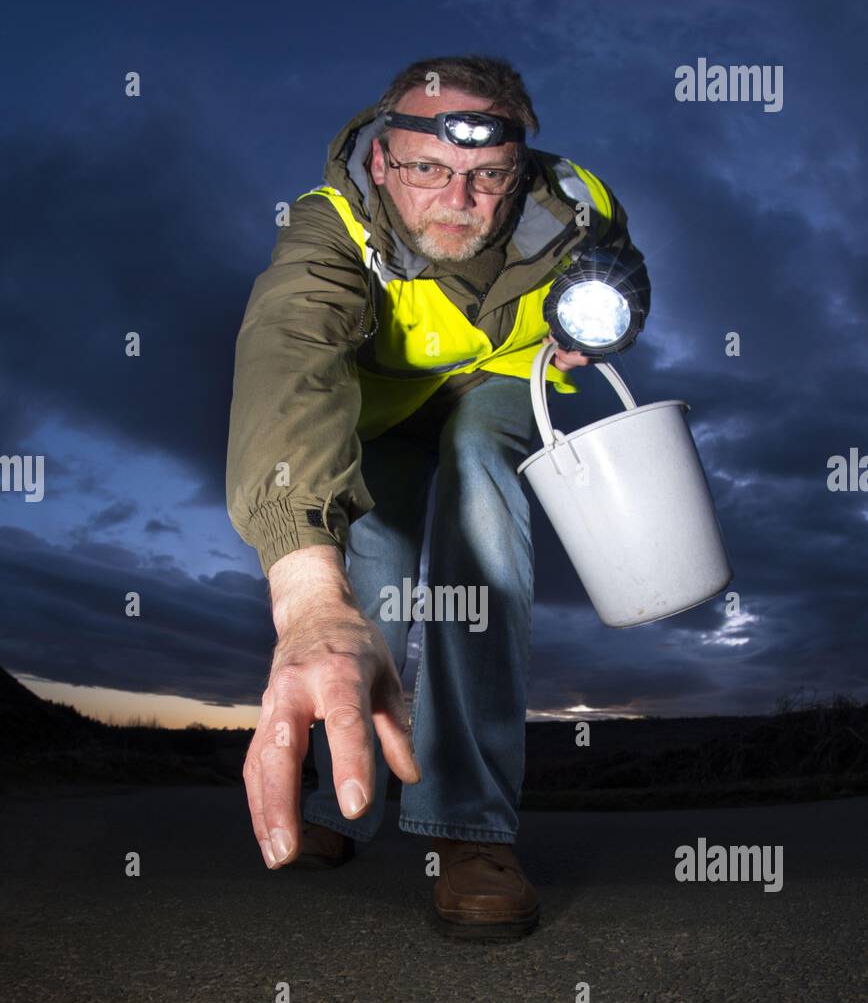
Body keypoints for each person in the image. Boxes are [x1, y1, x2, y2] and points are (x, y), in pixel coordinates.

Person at [226, 55, 650, 938]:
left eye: (488, 176)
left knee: (478, 484)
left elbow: (623, 272)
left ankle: (469, 830)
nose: (458, 199)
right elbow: (289, 360)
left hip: (493, 389)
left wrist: (608, 314)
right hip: (380, 416)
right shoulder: (331, 222)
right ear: (383, 159)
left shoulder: (576, 203)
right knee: (365, 579)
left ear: (518, 170)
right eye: (427, 169)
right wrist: (306, 598)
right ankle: (347, 807)